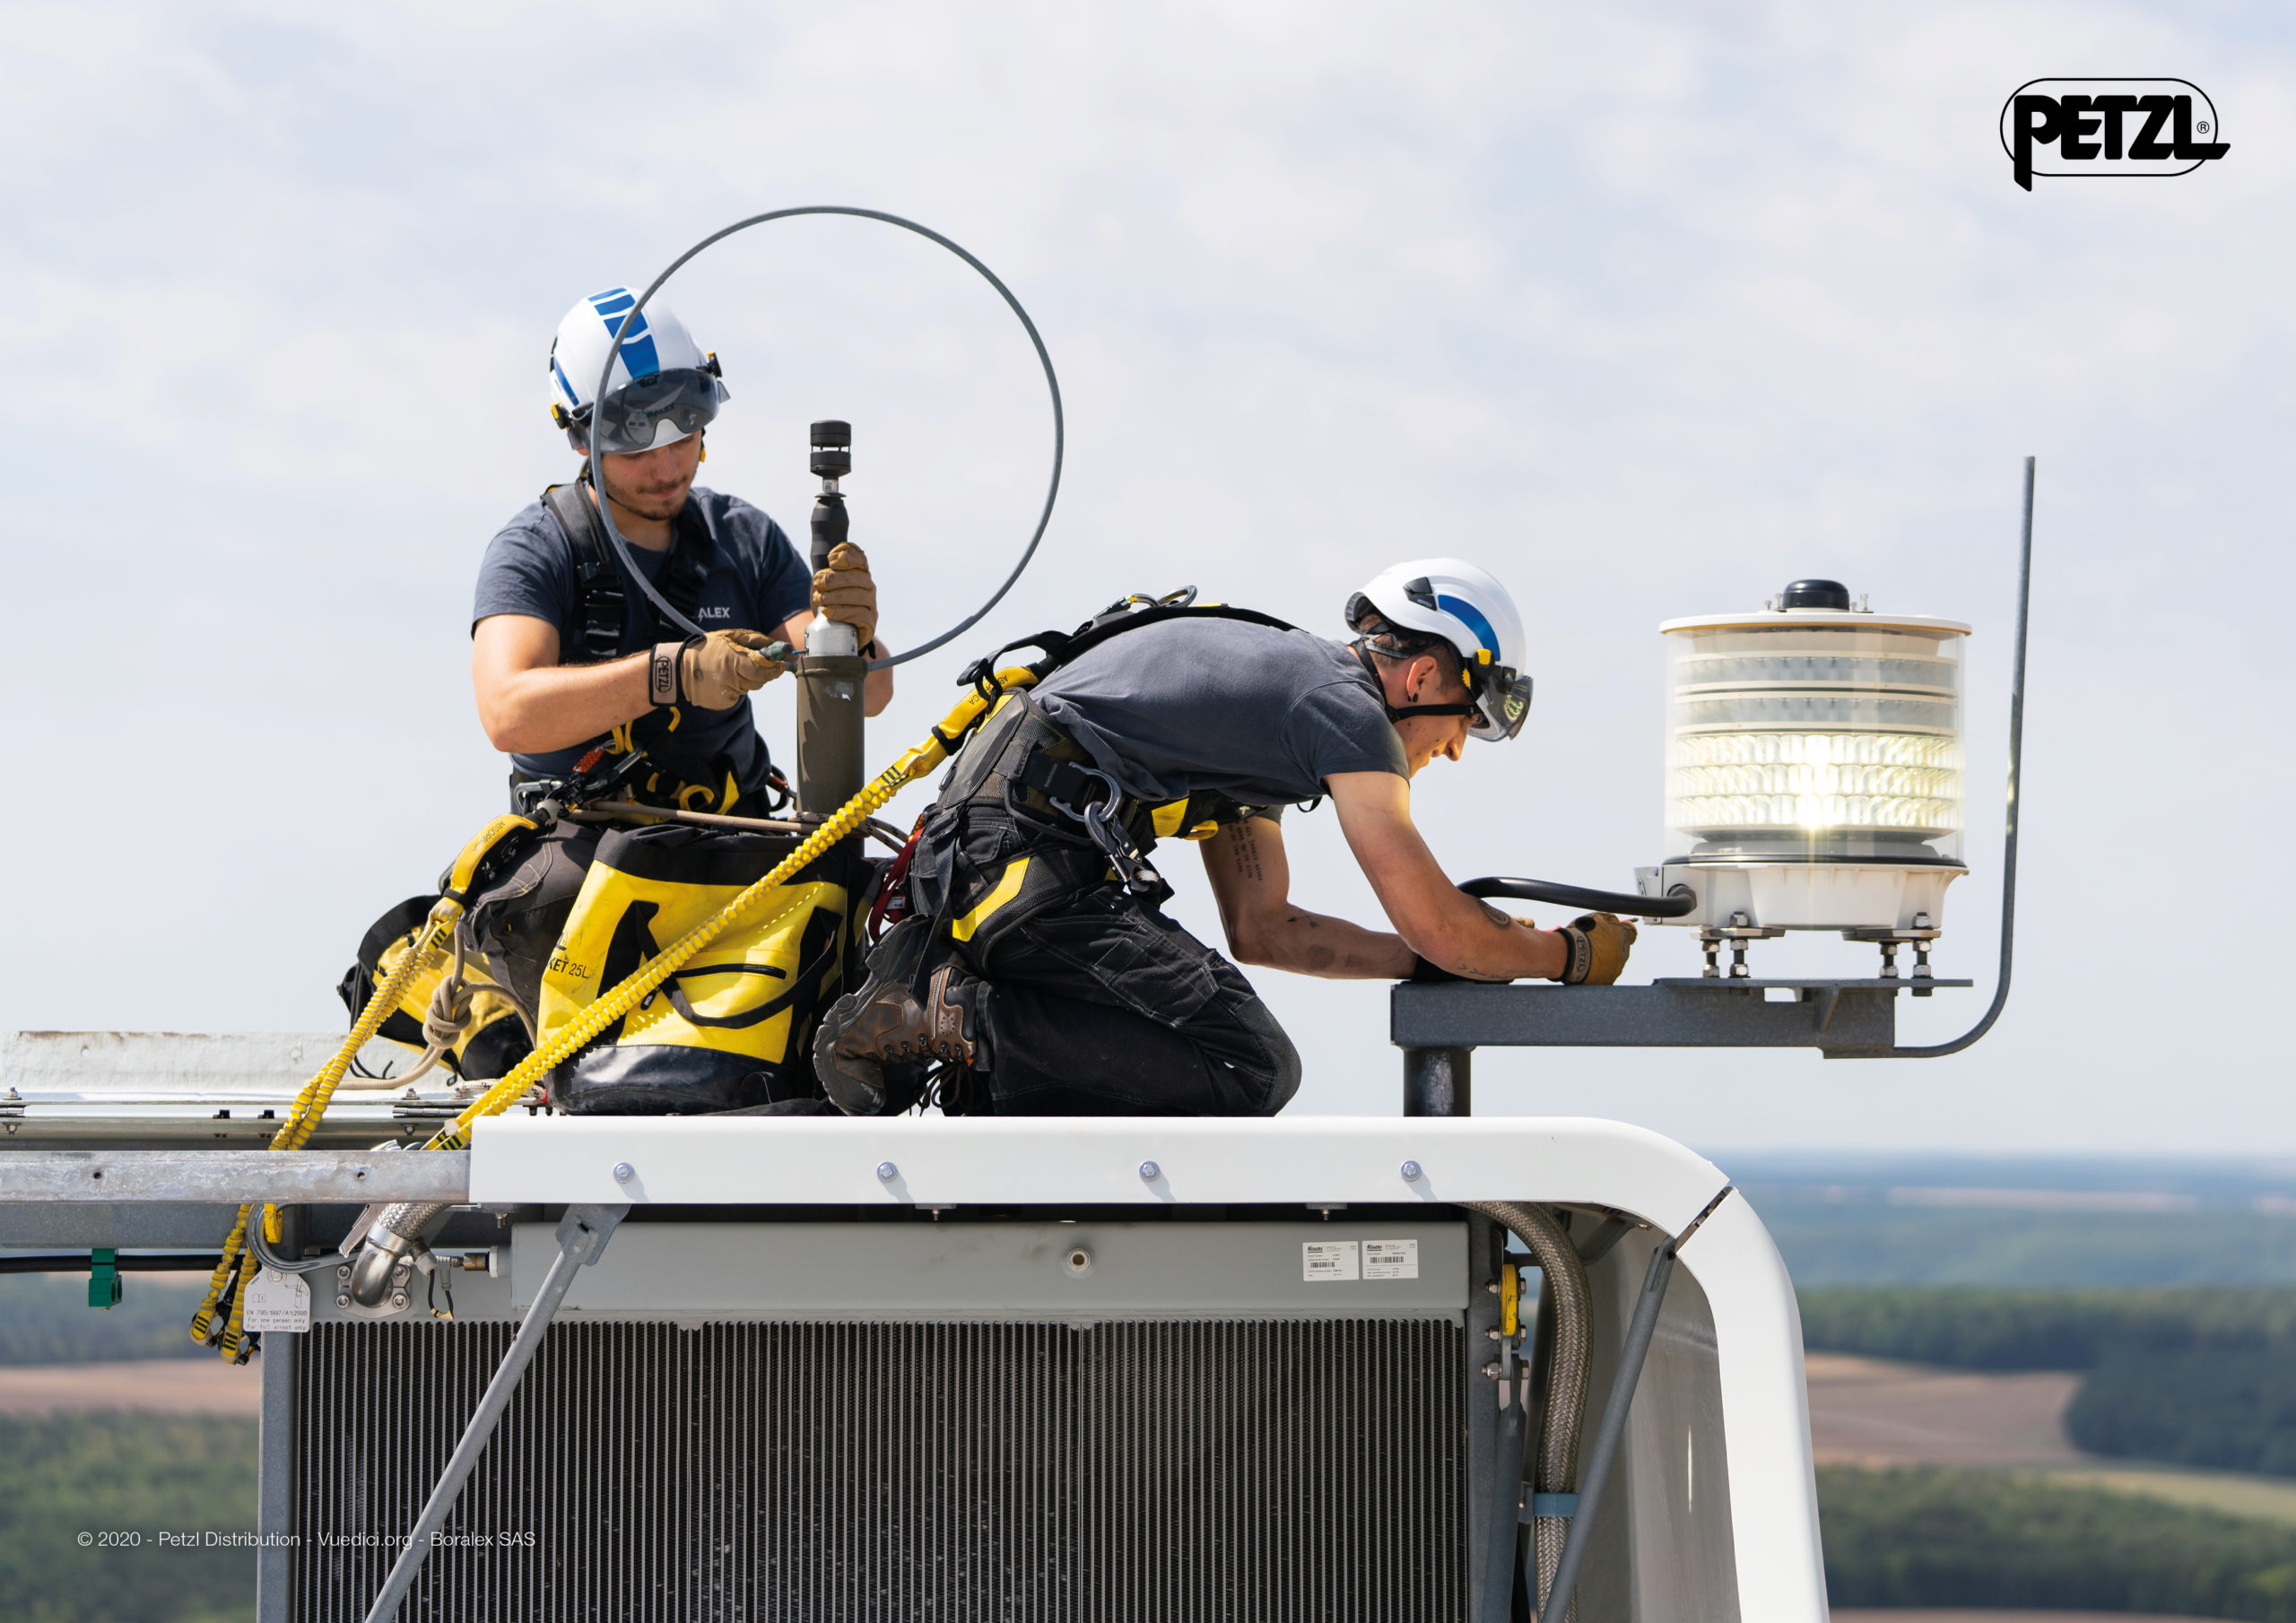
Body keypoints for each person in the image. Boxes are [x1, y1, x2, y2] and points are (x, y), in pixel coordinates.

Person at [813, 559, 1637, 1117]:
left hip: (994, 859)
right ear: (1424, 676)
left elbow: (1265, 928)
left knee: (1214, 1055)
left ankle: (947, 1012)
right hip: (1024, 860)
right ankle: (944, 1013)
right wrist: (1563, 955)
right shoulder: (1343, 712)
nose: (1457, 746)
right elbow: (1439, 923)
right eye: (1468, 717)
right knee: (1250, 1065)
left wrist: (1432, 960)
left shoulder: (1273, 719)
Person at [471, 287, 891, 812]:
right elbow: (508, 714)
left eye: (683, 435)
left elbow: (872, 697)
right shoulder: (536, 549)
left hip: (735, 847)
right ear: (581, 438)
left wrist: (852, 637)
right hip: (581, 851)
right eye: (637, 447)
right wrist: (674, 672)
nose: (668, 471)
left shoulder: (742, 538)